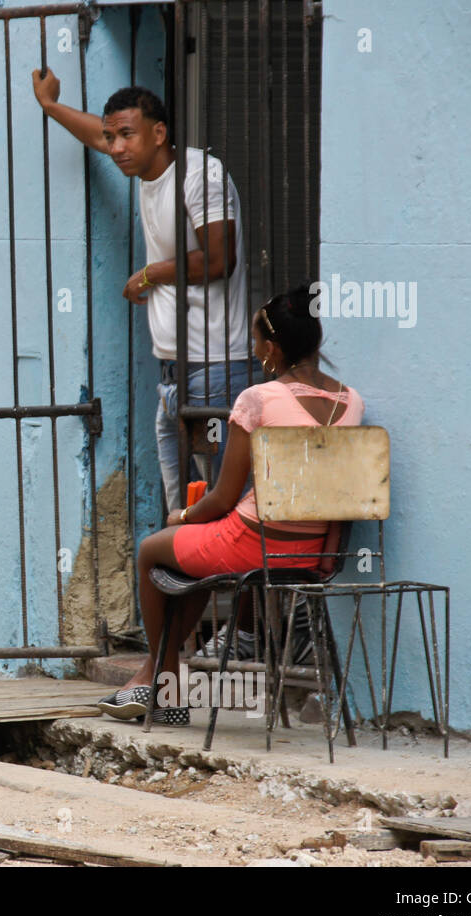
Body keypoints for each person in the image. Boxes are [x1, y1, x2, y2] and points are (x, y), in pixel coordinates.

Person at [96, 285, 364, 724]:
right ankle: (154, 680)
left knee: (152, 550)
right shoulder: (352, 401)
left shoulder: (257, 399)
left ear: (273, 348)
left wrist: (180, 516)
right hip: (315, 552)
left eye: (256, 342)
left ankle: (160, 683)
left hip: (253, 543)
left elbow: (221, 498)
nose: (254, 350)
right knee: (190, 560)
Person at [32, 75, 258, 511]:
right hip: (175, 376)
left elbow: (218, 260)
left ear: (159, 133)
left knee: (224, 505)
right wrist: (50, 106)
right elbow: (96, 136)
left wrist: (151, 273)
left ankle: (235, 581)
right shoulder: (144, 167)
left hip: (217, 367)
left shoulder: (199, 175)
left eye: (127, 135)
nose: (116, 147)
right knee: (185, 508)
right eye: (112, 137)